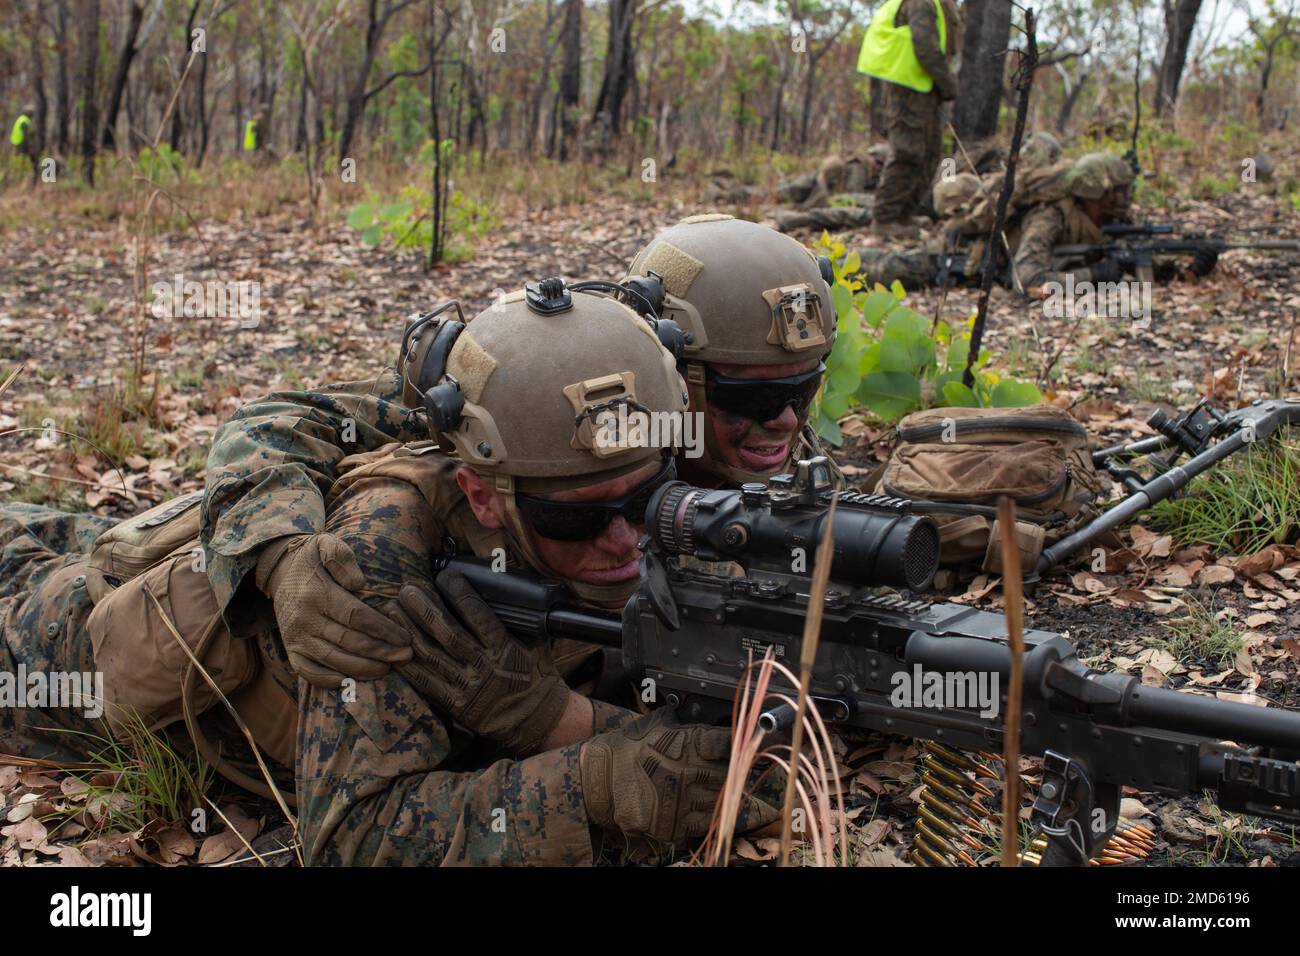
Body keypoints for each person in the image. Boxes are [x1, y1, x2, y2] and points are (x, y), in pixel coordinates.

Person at [0, 281, 778, 865]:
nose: (624, 539)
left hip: (130, 541)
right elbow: (357, 837)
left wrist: (570, 726)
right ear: (481, 491)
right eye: (571, 518)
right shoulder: (379, 561)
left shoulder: (609, 430)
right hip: (55, 652)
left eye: (647, 500)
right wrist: (591, 785)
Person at [854, 151, 1139, 296]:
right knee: (876, 268)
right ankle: (820, 268)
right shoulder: (1049, 215)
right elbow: (1027, 281)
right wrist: (1093, 275)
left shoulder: (1103, 220)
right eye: (1120, 190)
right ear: (1095, 191)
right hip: (956, 257)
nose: (1126, 198)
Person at [857, 0, 963, 235]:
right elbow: (925, 46)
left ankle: (903, 217)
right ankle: (884, 219)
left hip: (925, 89)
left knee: (930, 154)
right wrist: (948, 84)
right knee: (908, 152)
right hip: (908, 91)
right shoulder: (921, 2)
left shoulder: (940, 4)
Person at [9, 103, 37, 185]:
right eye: (31, 112)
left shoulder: (21, 119)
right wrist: (29, 147)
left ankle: (17, 177)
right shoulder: (24, 121)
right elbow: (26, 136)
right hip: (21, 144)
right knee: (24, 161)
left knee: (18, 161)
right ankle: (20, 179)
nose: (33, 114)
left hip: (16, 142)